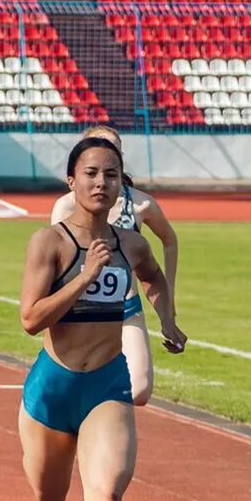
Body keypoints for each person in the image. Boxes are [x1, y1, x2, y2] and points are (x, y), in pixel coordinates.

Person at [19, 136, 186, 501]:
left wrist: (169, 320)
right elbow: (30, 319)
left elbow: (154, 277)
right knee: (51, 498)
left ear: (121, 185)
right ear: (72, 181)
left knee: (107, 499)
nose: (101, 182)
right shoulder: (48, 242)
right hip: (53, 388)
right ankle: (64, 461)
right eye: (91, 173)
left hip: (107, 385)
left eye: (111, 174)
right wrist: (84, 276)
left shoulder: (130, 244)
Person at [48, 126, 178, 404]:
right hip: (79, 310)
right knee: (72, 388)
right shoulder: (64, 207)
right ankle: (97, 431)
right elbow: (57, 262)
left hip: (126, 308)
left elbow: (169, 241)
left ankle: (104, 426)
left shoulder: (141, 204)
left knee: (139, 390)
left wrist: (170, 302)